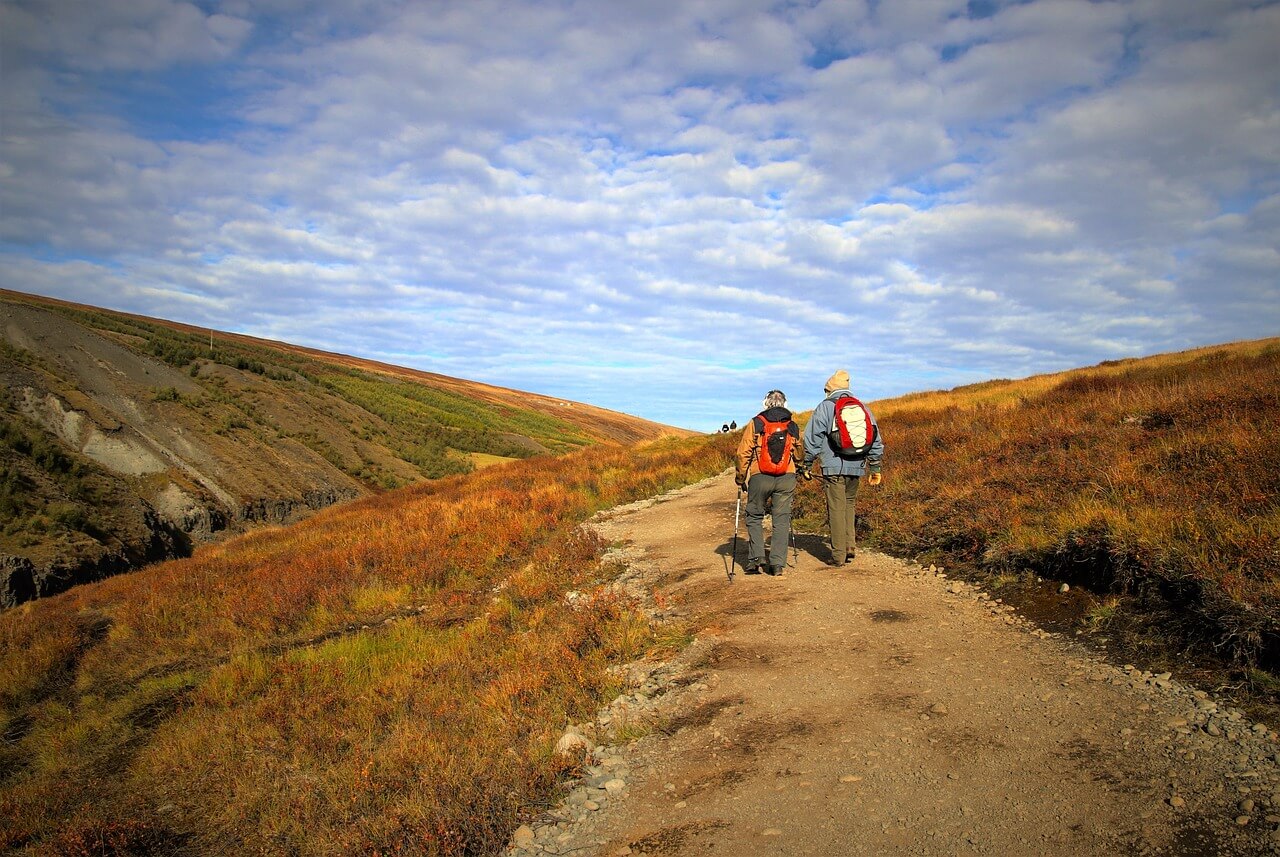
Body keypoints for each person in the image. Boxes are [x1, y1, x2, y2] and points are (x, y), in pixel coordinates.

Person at [802, 370, 884, 567]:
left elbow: (812, 438)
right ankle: (850, 547)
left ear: (829, 389)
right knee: (849, 505)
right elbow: (875, 439)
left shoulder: (825, 407)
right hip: (857, 466)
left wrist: (806, 463)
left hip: (833, 468)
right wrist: (875, 467)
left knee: (836, 509)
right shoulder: (863, 407)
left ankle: (838, 555)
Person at [735, 390, 805, 576]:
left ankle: (756, 559)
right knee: (781, 519)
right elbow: (799, 452)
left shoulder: (757, 422)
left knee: (754, 515)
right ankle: (777, 564)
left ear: (765, 402)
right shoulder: (792, 425)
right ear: (785, 403)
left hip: (760, 476)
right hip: (786, 476)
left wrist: (740, 477)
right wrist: (798, 465)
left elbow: (743, 452)